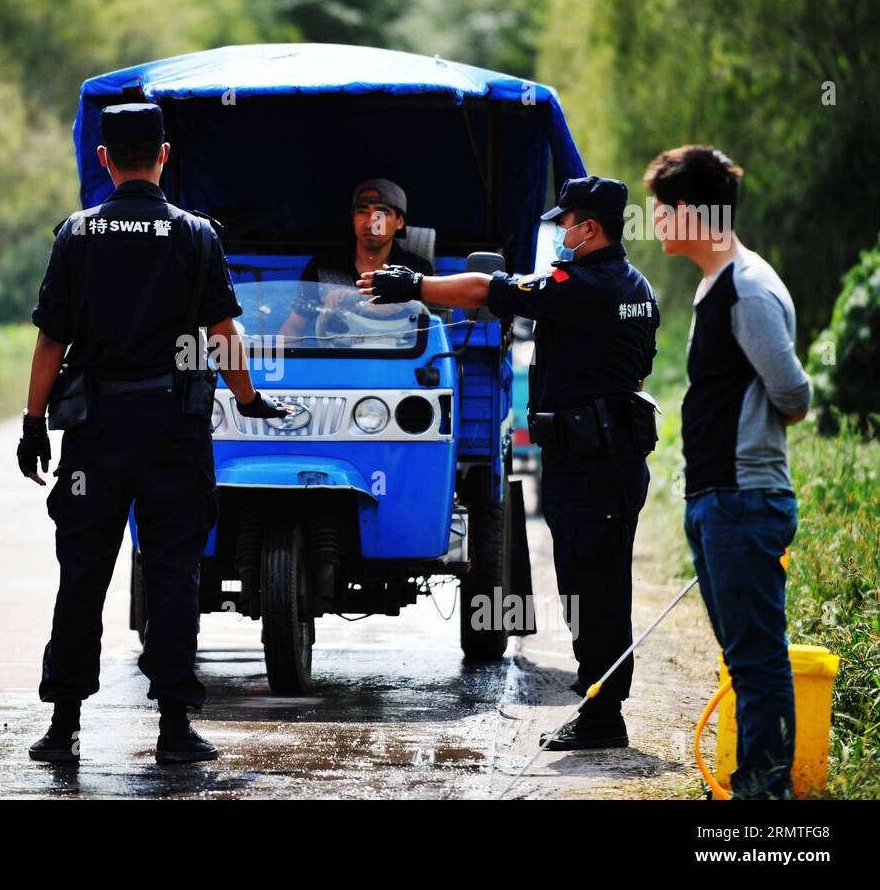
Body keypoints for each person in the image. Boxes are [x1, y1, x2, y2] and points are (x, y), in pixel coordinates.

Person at [18, 102, 288, 765]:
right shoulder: (196, 235)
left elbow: (52, 340)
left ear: (104, 159)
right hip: (173, 433)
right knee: (172, 576)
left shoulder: (76, 234)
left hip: (95, 435)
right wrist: (249, 399)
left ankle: (63, 726)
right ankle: (173, 727)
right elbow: (223, 334)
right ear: (164, 155)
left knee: (82, 576)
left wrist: (32, 423)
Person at [359, 175, 661, 750]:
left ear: (590, 228)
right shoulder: (637, 287)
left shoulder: (577, 285)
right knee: (604, 582)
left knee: (589, 586)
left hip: (588, 462)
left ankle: (603, 717)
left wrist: (415, 284)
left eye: (567, 223)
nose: (562, 232)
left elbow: (486, 289)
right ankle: (601, 701)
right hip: (615, 457)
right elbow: (639, 368)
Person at [646, 145, 810, 798]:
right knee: (745, 659)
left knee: (758, 658)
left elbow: (794, 393)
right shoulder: (715, 284)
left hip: (744, 498)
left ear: (690, 212)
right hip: (716, 499)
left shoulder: (748, 286)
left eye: (662, 210)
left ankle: (764, 795)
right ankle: (755, 784)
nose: (656, 223)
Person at [277, 178, 432, 340]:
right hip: (338, 354)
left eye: (382, 212)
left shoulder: (416, 270)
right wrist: (279, 356)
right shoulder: (324, 266)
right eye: (362, 211)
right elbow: (294, 326)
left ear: (399, 222)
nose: (370, 224)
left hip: (402, 354)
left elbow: (432, 327)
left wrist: (359, 303)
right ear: (353, 218)